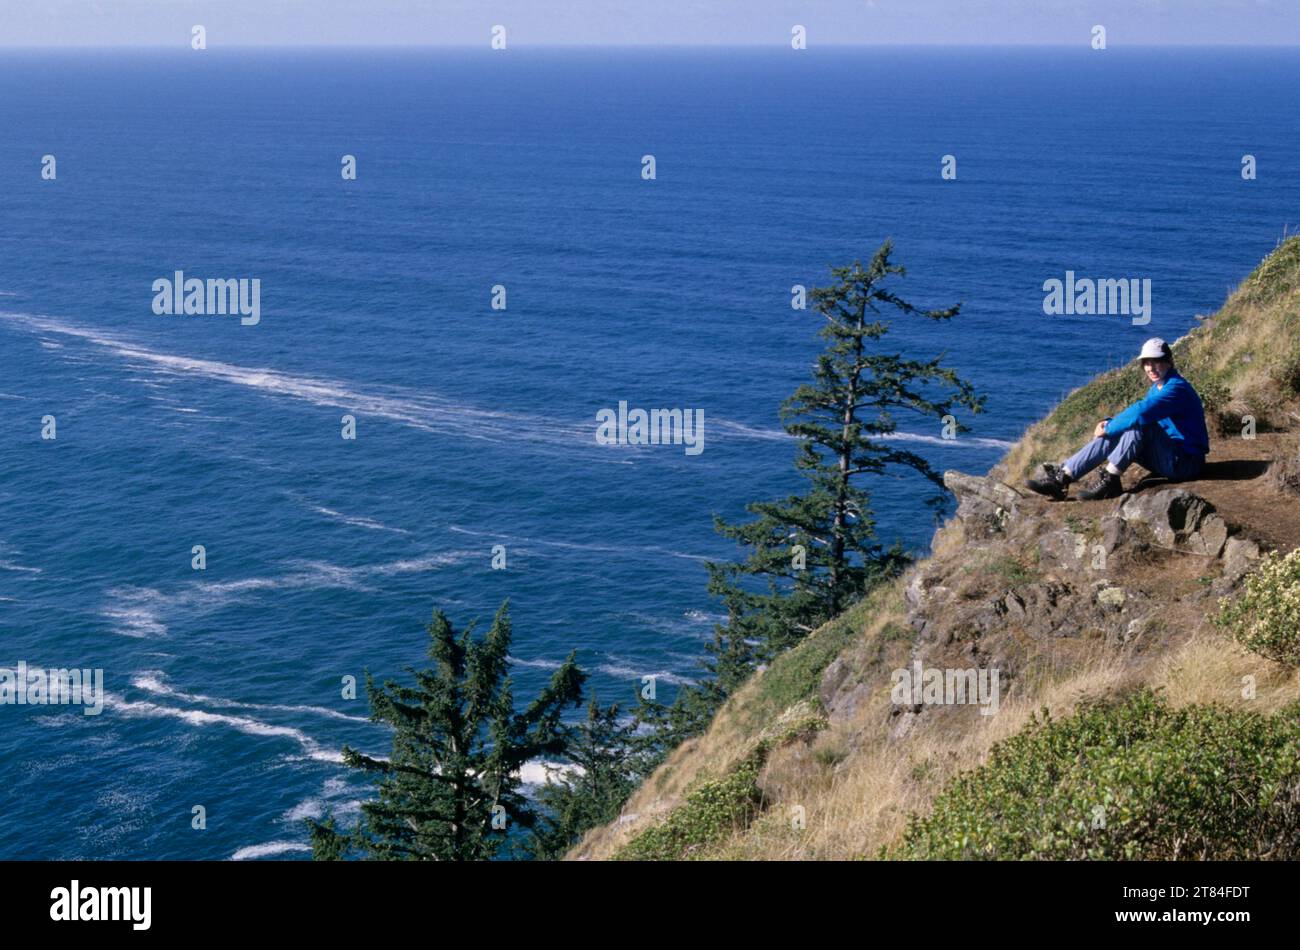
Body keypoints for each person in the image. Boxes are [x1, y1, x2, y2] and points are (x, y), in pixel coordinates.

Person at [1027, 338, 1210, 501]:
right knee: (1121, 428)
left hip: (1187, 463)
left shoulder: (1176, 388)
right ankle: (1062, 479)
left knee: (1136, 425)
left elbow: (1141, 413)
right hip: (1169, 456)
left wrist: (1110, 426)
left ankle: (1111, 479)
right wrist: (1110, 423)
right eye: (1146, 363)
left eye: (1157, 362)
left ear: (1169, 361)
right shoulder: (1158, 387)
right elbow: (1140, 416)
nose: (1150, 368)